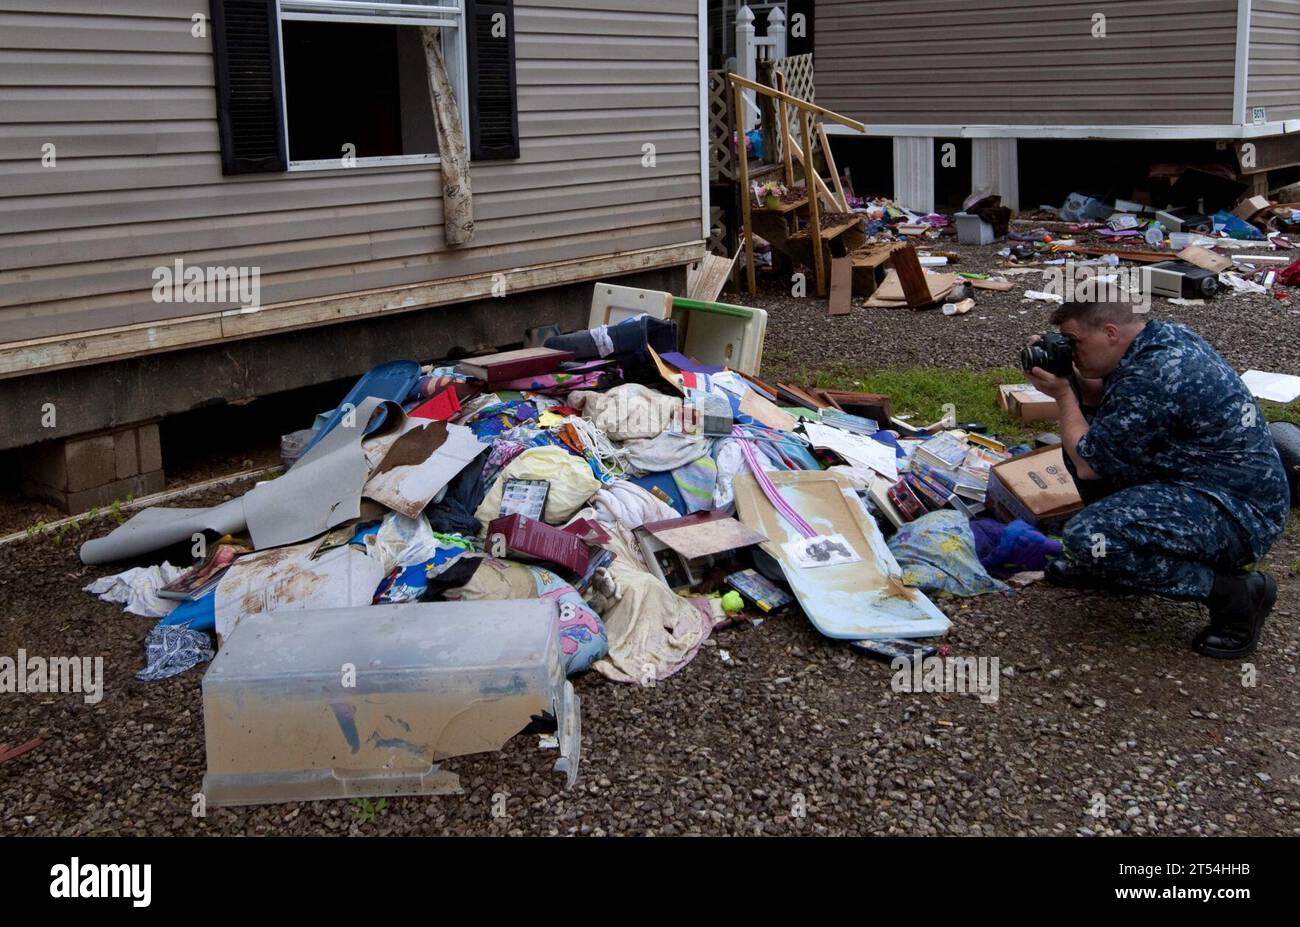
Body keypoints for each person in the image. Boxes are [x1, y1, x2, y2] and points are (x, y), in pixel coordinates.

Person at [1025, 299, 1289, 659]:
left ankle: (1236, 593)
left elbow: (1090, 462)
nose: (1072, 352)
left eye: (1075, 342)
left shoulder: (1155, 372)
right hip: (1202, 482)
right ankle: (1112, 565)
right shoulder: (1157, 338)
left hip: (1239, 513)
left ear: (1111, 333)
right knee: (1087, 444)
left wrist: (1062, 394)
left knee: (1087, 534)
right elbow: (1114, 410)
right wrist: (1069, 374)